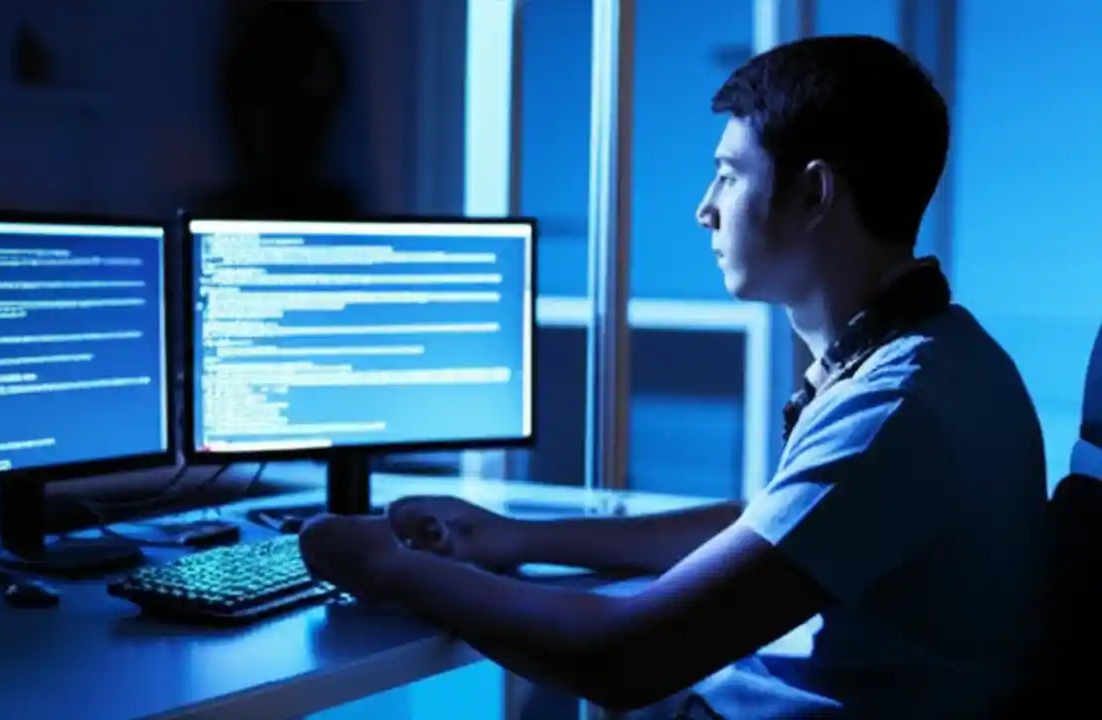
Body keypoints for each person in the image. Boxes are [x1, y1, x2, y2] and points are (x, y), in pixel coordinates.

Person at [299, 34, 1048, 718]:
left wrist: (390, 569)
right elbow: (763, 529)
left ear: (815, 194)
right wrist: (510, 536)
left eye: (728, 177)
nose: (704, 210)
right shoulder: (938, 357)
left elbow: (623, 658)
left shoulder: (898, 408)